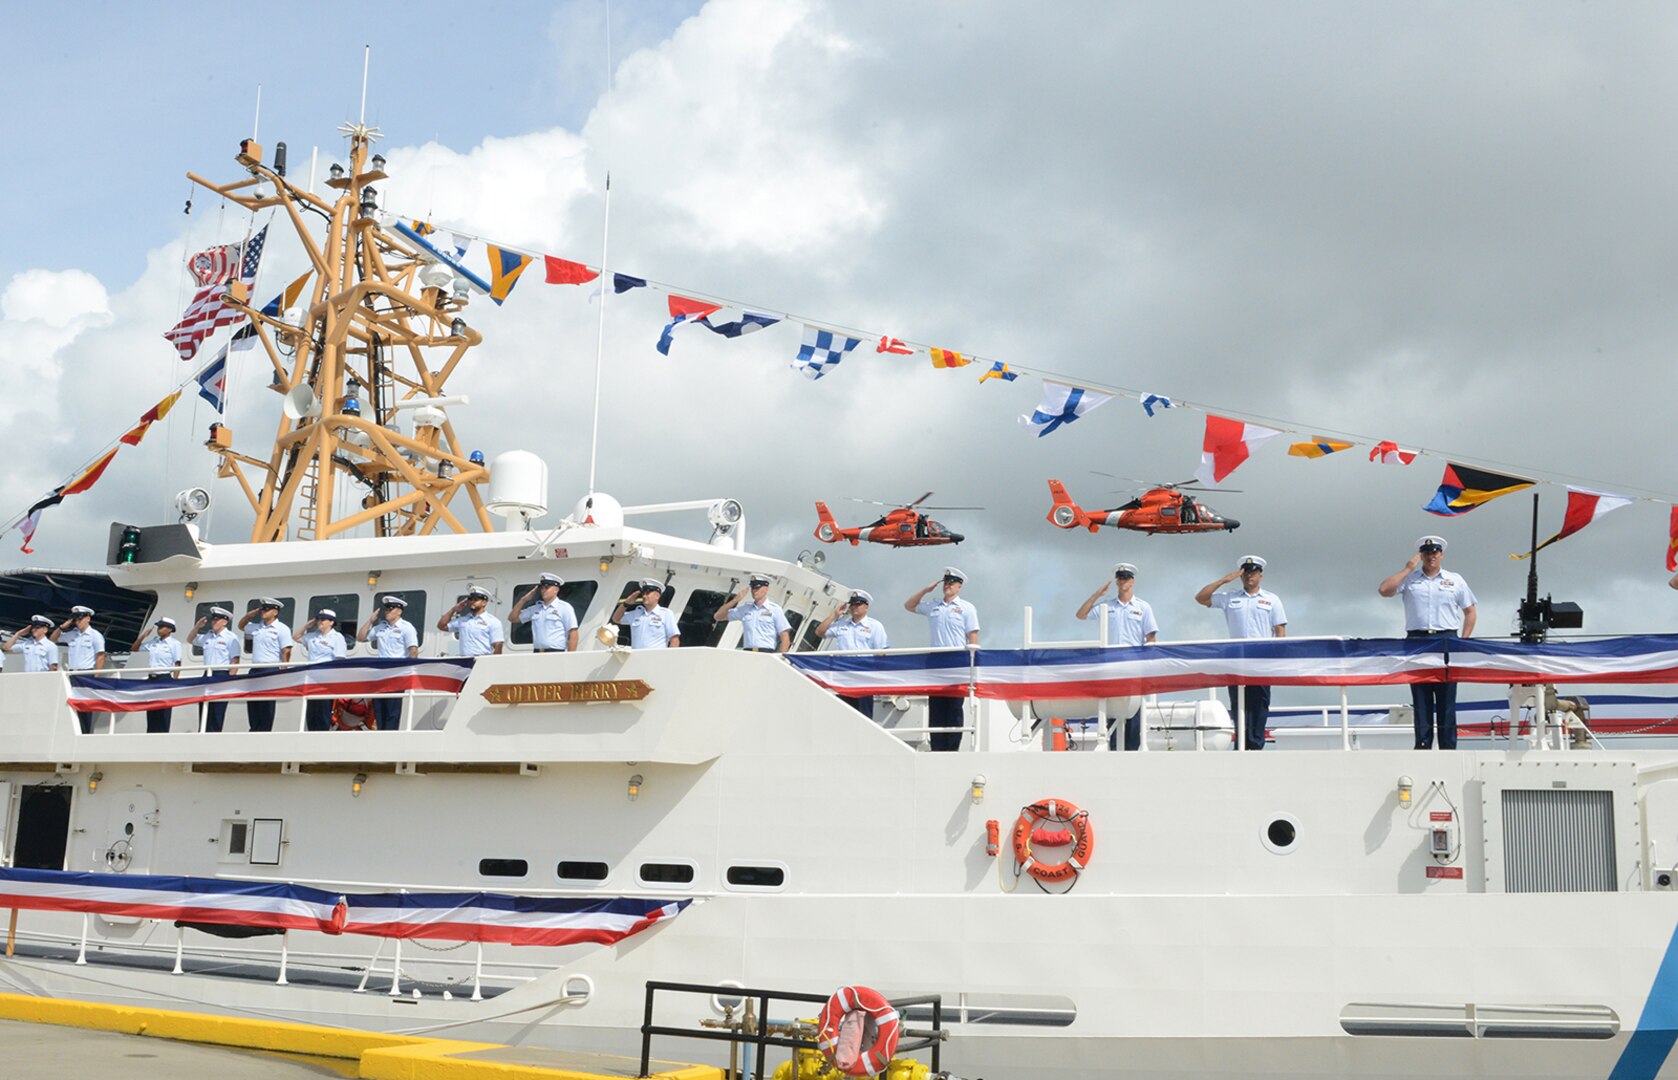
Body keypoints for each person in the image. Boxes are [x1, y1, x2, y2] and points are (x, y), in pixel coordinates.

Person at [1379, 535, 1477, 750]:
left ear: (1441, 554)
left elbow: (1470, 611)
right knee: (1421, 697)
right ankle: (1423, 745)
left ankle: (1448, 747)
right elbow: (1385, 590)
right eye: (1426, 552)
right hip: (1418, 640)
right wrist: (1407, 569)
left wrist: (1463, 642)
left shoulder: (1455, 580)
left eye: (1435, 552)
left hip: (1446, 639)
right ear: (1421, 555)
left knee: (1447, 698)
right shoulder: (1410, 579)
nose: (1431, 556)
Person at [1196, 556, 1287, 751]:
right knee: (1238, 704)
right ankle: (1241, 745)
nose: (1249, 576)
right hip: (1237, 659)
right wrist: (1223, 581)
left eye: (1253, 572)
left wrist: (1276, 659)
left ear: (1260, 575)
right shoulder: (1231, 597)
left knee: (1259, 704)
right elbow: (1201, 598)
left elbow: (1280, 630)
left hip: (1261, 659)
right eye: (1245, 573)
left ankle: (1256, 746)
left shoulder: (1272, 599)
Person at [1076, 562, 1158, 750]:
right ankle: (1114, 752)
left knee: (1134, 714)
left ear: (1133, 581)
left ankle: (1132, 753)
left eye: (1126, 578)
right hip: (1112, 668)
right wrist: (1097, 595)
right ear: (1116, 581)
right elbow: (1081, 615)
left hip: (1134, 667)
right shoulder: (1107, 606)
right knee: (1113, 712)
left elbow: (1151, 639)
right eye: (1120, 578)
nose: (1123, 581)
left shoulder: (1143, 607)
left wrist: (1148, 666)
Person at [904, 567, 980, 752]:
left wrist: (973, 665)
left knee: (954, 707)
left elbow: (973, 636)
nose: (947, 586)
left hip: (957, 660)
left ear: (959, 586)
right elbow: (909, 606)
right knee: (936, 706)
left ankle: (952, 748)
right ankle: (937, 747)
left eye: (951, 583)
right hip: (936, 661)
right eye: (945, 583)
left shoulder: (967, 608)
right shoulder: (934, 606)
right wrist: (925, 590)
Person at [813, 590, 889, 717]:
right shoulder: (841, 625)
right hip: (843, 674)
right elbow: (819, 632)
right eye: (852, 604)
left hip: (864, 674)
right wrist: (835, 615)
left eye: (857, 604)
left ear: (866, 606)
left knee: (863, 713)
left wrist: (877, 677)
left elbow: (881, 653)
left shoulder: (875, 626)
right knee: (843, 713)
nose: (854, 607)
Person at [358, 596, 419, 731]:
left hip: (396, 674)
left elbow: (413, 651)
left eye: (391, 609)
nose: (387, 612)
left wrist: (407, 673)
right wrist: (370, 621)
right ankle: (381, 736)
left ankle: (390, 737)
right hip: (380, 674)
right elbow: (360, 638)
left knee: (392, 710)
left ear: (399, 611)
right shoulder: (380, 627)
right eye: (386, 609)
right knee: (379, 709)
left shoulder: (407, 628)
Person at [238, 599, 293, 732]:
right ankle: (254, 729)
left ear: (275, 612)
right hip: (255, 669)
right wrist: (248, 616)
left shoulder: (282, 629)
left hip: (270, 669)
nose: (263, 612)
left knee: (267, 704)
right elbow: (241, 626)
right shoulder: (257, 627)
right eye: (263, 609)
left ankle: (265, 730)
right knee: (253, 702)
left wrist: (283, 671)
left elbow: (286, 651)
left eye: (267, 610)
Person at [52, 606, 106, 734]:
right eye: (75, 620)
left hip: (86, 674)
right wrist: (62, 627)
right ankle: (73, 733)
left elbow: (100, 656)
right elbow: (52, 639)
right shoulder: (72, 634)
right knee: (71, 706)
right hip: (72, 674)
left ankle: (85, 733)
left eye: (80, 619)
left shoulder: (95, 635)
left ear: (88, 618)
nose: (77, 622)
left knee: (85, 706)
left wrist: (96, 677)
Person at [296, 609, 350, 732]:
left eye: (323, 619)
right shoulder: (312, 636)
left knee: (323, 713)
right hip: (311, 679)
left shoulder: (337, 638)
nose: (320, 622)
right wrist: (306, 626)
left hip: (326, 680)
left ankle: (322, 737)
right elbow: (296, 637)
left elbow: (340, 661)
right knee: (311, 713)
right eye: (319, 619)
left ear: (331, 622)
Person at [192, 607, 242, 732]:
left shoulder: (231, 638)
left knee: (218, 710)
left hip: (221, 675)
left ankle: (214, 734)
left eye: (216, 620)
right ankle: (202, 732)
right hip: (207, 674)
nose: (213, 622)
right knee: (204, 707)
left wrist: (229, 681)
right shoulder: (208, 636)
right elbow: (190, 639)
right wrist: (197, 627)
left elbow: (235, 660)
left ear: (225, 622)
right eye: (213, 619)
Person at [714, 574, 791, 653]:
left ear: (766, 589)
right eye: (753, 588)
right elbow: (718, 616)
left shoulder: (775, 610)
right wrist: (735, 600)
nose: (754, 590)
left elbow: (785, 639)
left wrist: (781, 657)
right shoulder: (745, 609)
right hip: (747, 653)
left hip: (766, 653)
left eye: (757, 588)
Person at [132, 617, 183, 734]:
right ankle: (151, 735)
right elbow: (134, 648)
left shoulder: (174, 644)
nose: (159, 629)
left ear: (170, 629)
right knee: (151, 710)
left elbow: (178, 663)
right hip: (152, 679)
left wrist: (174, 682)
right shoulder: (153, 642)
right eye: (158, 627)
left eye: (162, 627)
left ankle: (163, 735)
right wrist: (143, 636)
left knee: (163, 711)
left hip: (164, 678)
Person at [512, 572, 579, 653]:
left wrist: (570, 657)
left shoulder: (564, 608)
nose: (543, 590)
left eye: (547, 587)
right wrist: (523, 600)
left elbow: (573, 634)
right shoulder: (536, 608)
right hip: (537, 653)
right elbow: (513, 618)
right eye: (542, 588)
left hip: (556, 653)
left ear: (556, 590)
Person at [439, 585, 505, 656]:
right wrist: (454, 609)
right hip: (465, 660)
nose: (472, 602)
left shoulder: (493, 622)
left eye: (476, 599)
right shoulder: (463, 620)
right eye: (471, 599)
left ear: (484, 603)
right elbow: (442, 626)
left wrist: (492, 662)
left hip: (482, 659)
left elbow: (498, 645)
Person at [614, 581, 682, 649]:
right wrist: (626, 603)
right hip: (636, 655)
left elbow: (674, 640)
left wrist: (670, 656)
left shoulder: (665, 614)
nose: (644, 596)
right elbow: (616, 619)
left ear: (657, 596)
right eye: (643, 593)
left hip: (655, 655)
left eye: (648, 593)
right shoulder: (637, 613)